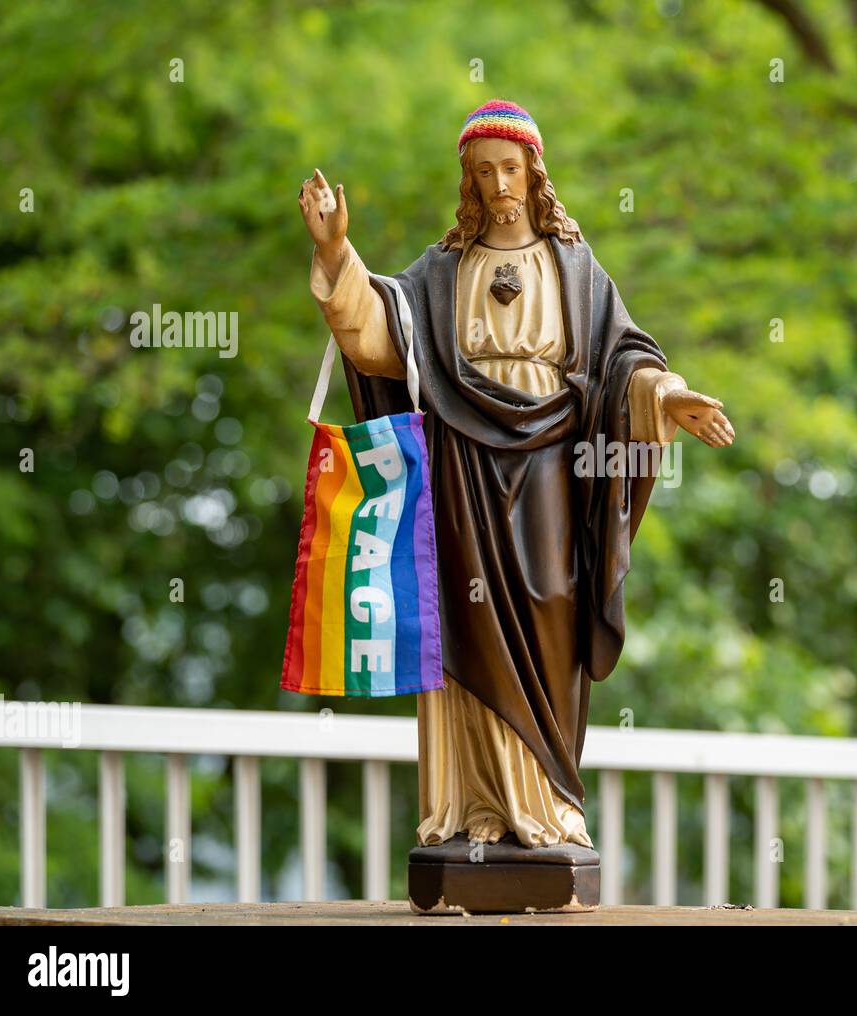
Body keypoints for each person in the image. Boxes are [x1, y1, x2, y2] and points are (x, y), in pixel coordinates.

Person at [297, 99, 734, 850]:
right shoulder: (440, 273)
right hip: (462, 464)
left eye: (509, 168)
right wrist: (339, 254)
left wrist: (666, 395)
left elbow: (624, 359)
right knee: (465, 618)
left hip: (550, 466)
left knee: (553, 601)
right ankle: (473, 811)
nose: (498, 183)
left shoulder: (577, 268)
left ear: (534, 172)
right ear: (467, 182)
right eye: (482, 172)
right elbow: (379, 337)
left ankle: (550, 807)